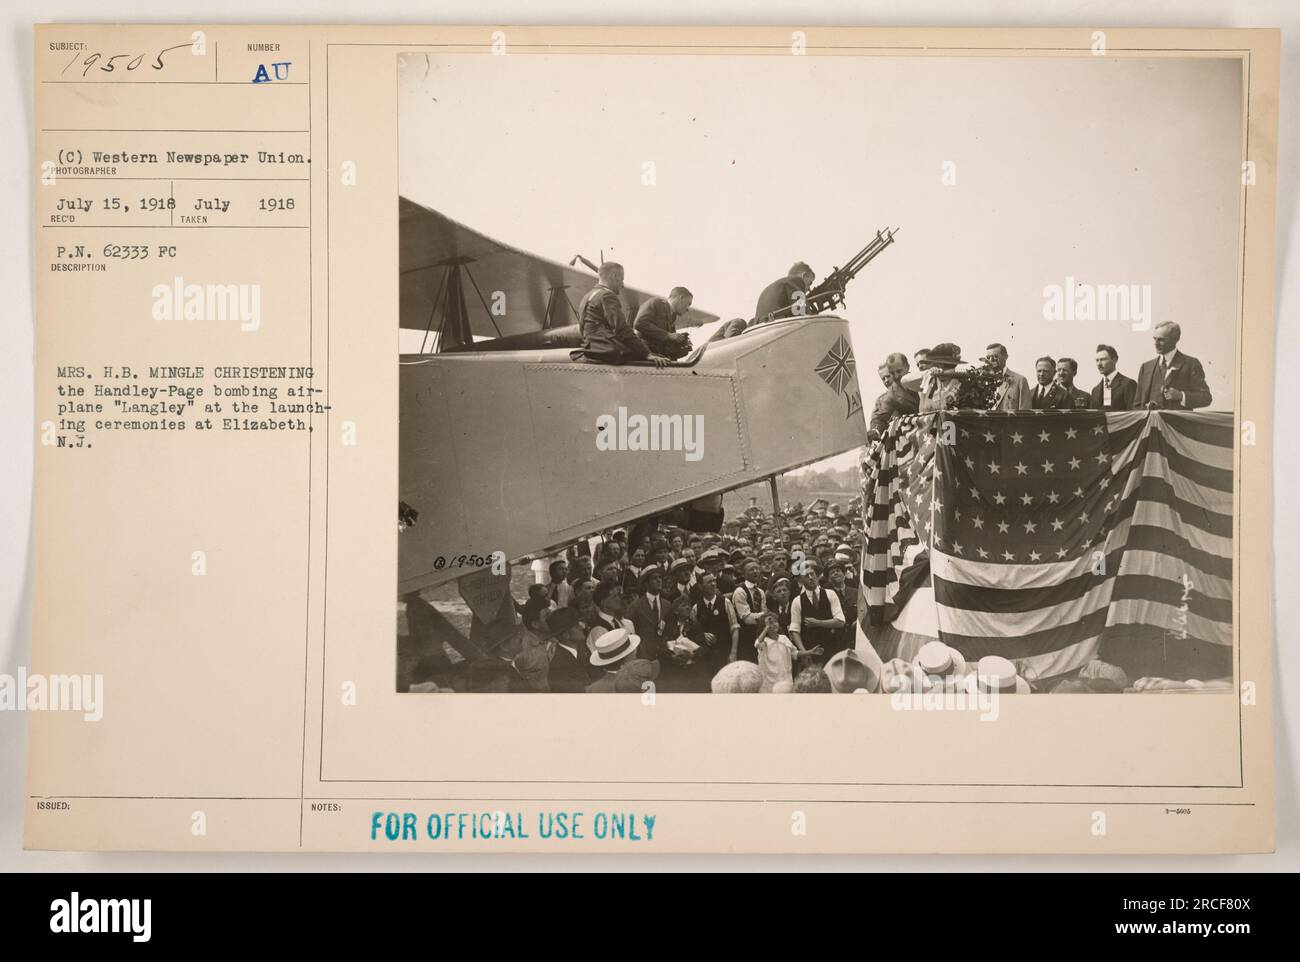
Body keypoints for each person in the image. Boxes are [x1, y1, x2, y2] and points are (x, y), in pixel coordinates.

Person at [570, 262, 669, 367]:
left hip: (591, 346)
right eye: (621, 279)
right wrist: (647, 354)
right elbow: (621, 328)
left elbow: (582, 328)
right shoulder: (607, 295)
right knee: (653, 353)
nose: (622, 285)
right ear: (614, 276)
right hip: (605, 349)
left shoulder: (587, 296)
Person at [1133, 321, 1213, 409]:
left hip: (1177, 422)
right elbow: (1137, 406)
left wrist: (1181, 396)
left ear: (1175, 339)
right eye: (1154, 339)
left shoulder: (1191, 364)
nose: (1156, 343)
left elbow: (1206, 397)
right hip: (1151, 422)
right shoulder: (1146, 367)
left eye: (1161, 340)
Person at [789, 561, 846, 660]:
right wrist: (804, 652)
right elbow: (795, 630)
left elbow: (840, 622)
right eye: (806, 576)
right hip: (811, 649)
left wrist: (818, 623)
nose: (810, 577)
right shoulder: (797, 601)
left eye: (812, 574)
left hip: (833, 647)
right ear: (801, 580)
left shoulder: (830, 594)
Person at [627, 565, 678, 664]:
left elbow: (671, 631)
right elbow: (631, 633)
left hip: (665, 657)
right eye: (654, 578)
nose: (659, 580)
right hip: (644, 657)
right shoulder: (636, 606)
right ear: (646, 583)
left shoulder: (667, 605)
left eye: (660, 577)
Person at [869, 353, 921, 438]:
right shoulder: (892, 394)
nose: (896, 376)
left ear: (907, 367)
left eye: (899, 371)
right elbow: (881, 416)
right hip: (916, 434)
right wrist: (875, 430)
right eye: (892, 373)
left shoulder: (921, 378)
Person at [634, 287, 694, 360]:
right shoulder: (656, 302)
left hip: (658, 358)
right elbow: (639, 323)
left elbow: (666, 343)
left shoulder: (672, 316)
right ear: (681, 298)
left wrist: (681, 345)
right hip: (645, 356)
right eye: (688, 304)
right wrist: (668, 335)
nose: (687, 309)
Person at [544, 607, 590, 693]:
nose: (582, 627)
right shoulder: (559, 667)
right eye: (576, 626)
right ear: (566, 635)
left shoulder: (581, 648)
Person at [731, 560, 767, 663]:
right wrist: (765, 616)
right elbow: (747, 618)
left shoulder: (760, 592)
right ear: (744, 574)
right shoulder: (740, 591)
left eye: (757, 569)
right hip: (745, 638)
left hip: (759, 636)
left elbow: (763, 611)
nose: (756, 571)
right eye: (752, 569)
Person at [755, 611, 799, 693]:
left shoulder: (784, 638)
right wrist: (767, 627)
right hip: (769, 685)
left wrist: (809, 652)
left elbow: (795, 653)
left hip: (786, 681)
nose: (774, 624)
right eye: (770, 623)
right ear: (764, 627)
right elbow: (757, 643)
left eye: (775, 621)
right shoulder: (764, 642)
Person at [916, 342, 964, 413]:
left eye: (932, 363)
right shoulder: (929, 381)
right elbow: (904, 381)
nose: (931, 366)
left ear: (939, 364)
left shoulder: (960, 384)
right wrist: (929, 373)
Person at [985, 342, 1033, 411]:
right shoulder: (983, 382)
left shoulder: (1020, 381)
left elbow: (1025, 414)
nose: (991, 360)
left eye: (995, 356)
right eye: (988, 357)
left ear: (1005, 357)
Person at [1090, 344, 1137, 410]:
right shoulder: (1095, 391)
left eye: (1103, 359)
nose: (1099, 364)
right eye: (1097, 360)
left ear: (1114, 360)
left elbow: (1134, 414)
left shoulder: (1128, 384)